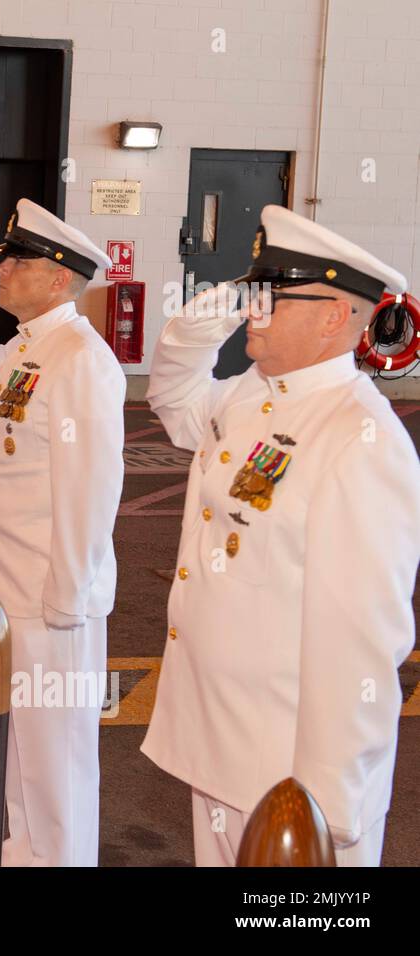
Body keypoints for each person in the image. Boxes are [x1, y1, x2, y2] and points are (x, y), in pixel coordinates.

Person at [141, 205, 420, 866]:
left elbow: (362, 641)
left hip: (294, 766)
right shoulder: (251, 394)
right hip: (221, 737)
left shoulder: (359, 437)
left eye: (272, 296)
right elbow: (177, 405)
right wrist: (190, 330)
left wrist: (328, 799)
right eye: (254, 293)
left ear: (333, 317)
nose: (254, 312)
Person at [0, 199, 123, 866]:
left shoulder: (79, 359)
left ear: (61, 280)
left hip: (51, 600)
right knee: (17, 753)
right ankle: (22, 854)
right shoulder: (27, 350)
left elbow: (91, 485)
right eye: (6, 259)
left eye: (21, 262)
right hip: (8, 592)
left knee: (57, 765)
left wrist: (69, 598)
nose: (6, 269)